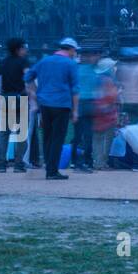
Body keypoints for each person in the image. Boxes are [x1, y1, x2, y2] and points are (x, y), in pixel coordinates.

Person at [26, 38, 80, 180]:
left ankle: (48, 167)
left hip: (45, 104)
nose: (75, 54)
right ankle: (52, 171)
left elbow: (28, 76)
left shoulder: (44, 61)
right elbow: (75, 89)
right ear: (71, 49)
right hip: (62, 104)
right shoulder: (71, 64)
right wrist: (75, 110)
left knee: (47, 136)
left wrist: (35, 93)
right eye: (75, 51)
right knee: (58, 138)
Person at [0, 38, 29, 173]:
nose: (25, 50)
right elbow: (28, 76)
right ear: (18, 49)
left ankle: (1, 165)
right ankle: (18, 164)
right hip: (20, 98)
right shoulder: (23, 62)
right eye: (23, 48)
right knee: (21, 133)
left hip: (5, 98)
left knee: (4, 134)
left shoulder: (2, 62)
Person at [91, 56, 120, 171]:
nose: (115, 69)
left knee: (97, 139)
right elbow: (112, 97)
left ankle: (97, 162)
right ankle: (102, 163)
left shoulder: (95, 78)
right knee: (106, 140)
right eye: (113, 67)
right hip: (107, 114)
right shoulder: (108, 81)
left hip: (95, 112)